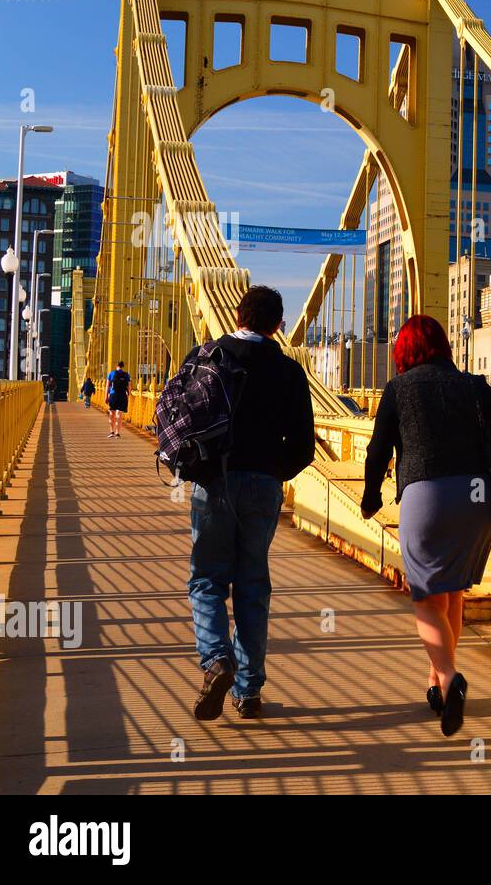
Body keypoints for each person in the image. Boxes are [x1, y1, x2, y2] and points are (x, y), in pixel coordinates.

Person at [360, 314, 491, 738]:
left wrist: (371, 496)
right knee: (451, 590)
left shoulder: (399, 390)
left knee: (427, 596)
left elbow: (377, 451)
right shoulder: (472, 384)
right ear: (445, 346)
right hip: (475, 497)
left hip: (426, 495)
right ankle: (435, 681)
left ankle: (449, 677)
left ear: (403, 352)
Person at [186, 286, 315, 721]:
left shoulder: (208, 356)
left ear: (237, 315)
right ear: (279, 325)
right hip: (262, 485)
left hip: (214, 482)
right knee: (252, 587)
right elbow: (302, 448)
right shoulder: (289, 371)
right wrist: (273, 473)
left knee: (207, 580)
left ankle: (216, 661)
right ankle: (249, 692)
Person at [105, 361, 130, 438]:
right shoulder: (126, 375)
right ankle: (117, 433)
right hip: (122, 395)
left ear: (116, 365)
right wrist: (127, 396)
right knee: (119, 415)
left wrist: (106, 397)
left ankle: (111, 431)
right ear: (123, 366)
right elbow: (129, 387)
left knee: (112, 414)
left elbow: (107, 386)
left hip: (113, 395)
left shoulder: (111, 374)